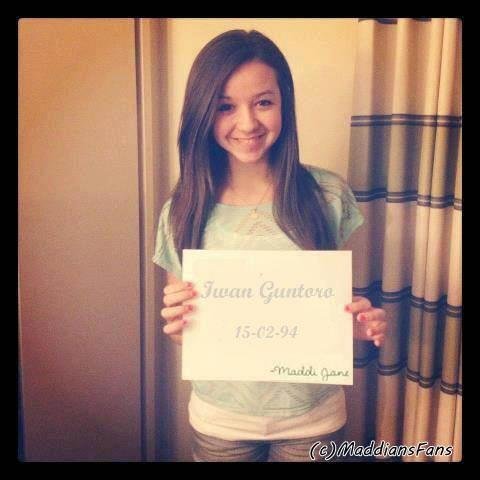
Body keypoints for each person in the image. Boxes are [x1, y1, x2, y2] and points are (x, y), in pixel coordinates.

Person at [152, 29, 387, 462]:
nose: (247, 124)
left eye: (263, 102)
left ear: (284, 104)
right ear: (203, 112)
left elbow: (330, 306)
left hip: (314, 420)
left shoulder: (328, 195)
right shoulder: (182, 209)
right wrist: (179, 326)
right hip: (220, 420)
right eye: (225, 106)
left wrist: (356, 323)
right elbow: (188, 335)